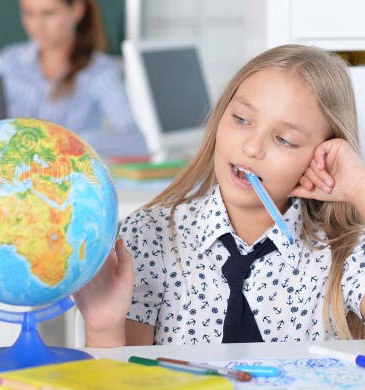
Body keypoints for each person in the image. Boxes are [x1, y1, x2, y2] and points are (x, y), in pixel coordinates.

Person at [74, 44, 365, 346]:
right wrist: (104, 327)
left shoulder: (343, 251)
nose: (252, 148)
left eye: (284, 139)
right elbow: (125, 380)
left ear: (324, 154)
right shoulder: (150, 235)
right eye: (241, 119)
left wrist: (358, 185)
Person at [0, 0, 147, 159]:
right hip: (13, 175)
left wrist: (70, 142)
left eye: (48, 14)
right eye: (28, 13)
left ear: (76, 10)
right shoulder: (10, 62)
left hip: (67, 179)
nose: (37, 25)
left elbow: (135, 140)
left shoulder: (100, 71)